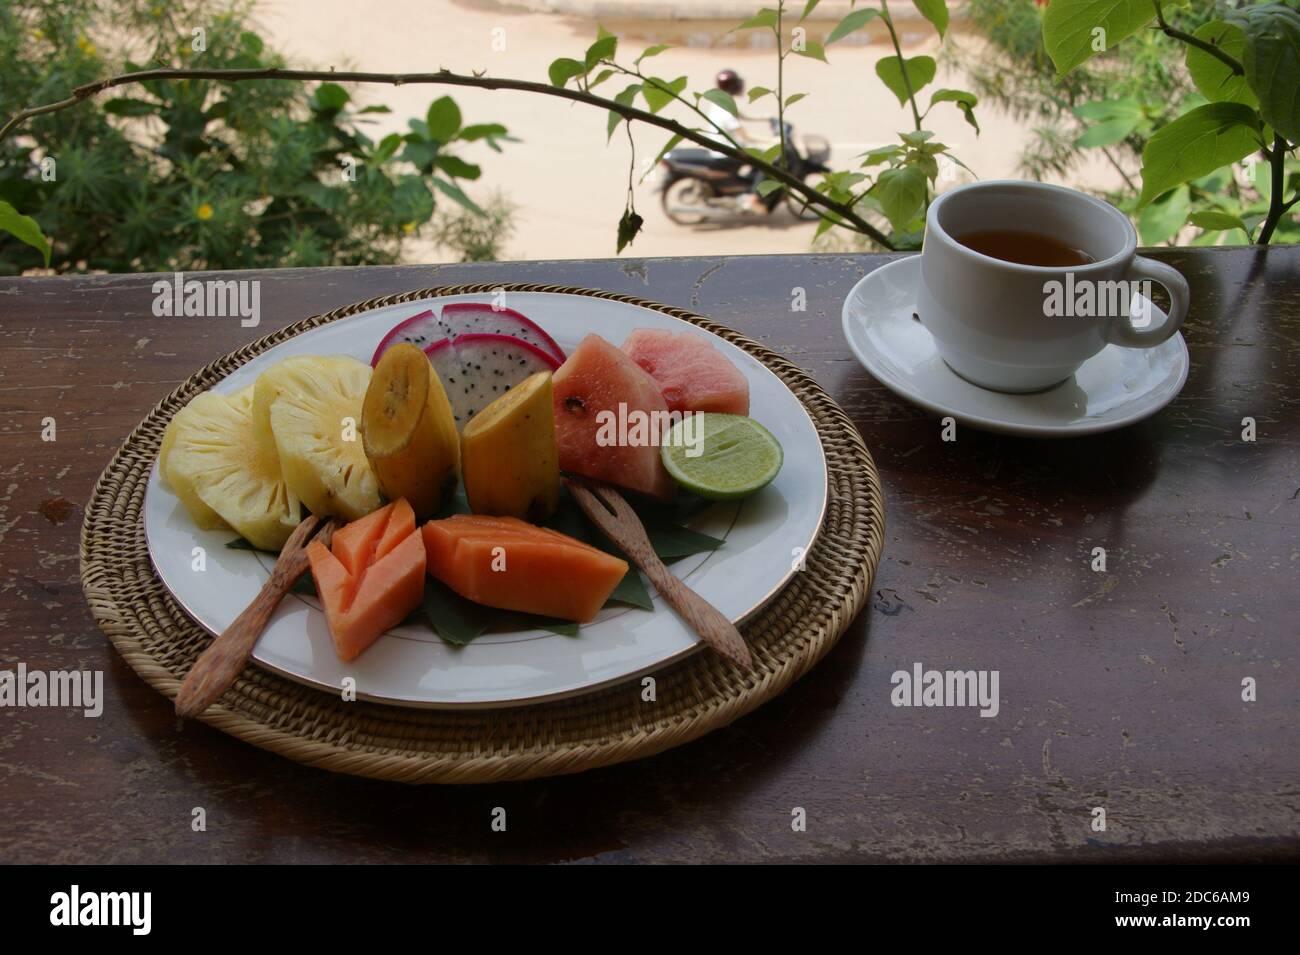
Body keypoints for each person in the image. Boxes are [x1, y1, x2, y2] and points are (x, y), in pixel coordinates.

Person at [702, 69, 768, 214]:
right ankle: (753, 199)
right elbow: (745, 136)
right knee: (765, 161)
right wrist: (770, 141)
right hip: (727, 151)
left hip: (722, 147)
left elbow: (741, 115)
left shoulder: (720, 100)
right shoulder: (725, 111)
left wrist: (764, 117)